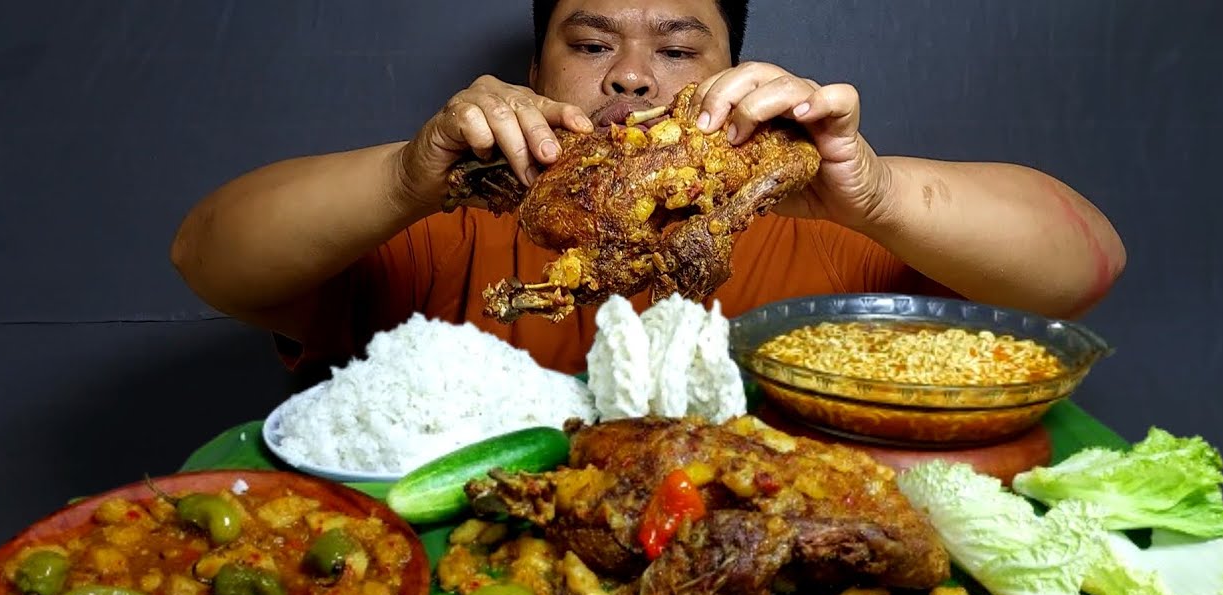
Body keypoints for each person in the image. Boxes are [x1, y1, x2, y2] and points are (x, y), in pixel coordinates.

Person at [171, 0, 1126, 375]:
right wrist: (410, 172)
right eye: (591, 45)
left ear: (730, 68)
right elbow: (209, 258)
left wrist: (870, 191)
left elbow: (1083, 267)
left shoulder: (815, 205)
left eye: (677, 48)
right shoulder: (452, 211)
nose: (631, 77)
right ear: (538, 66)